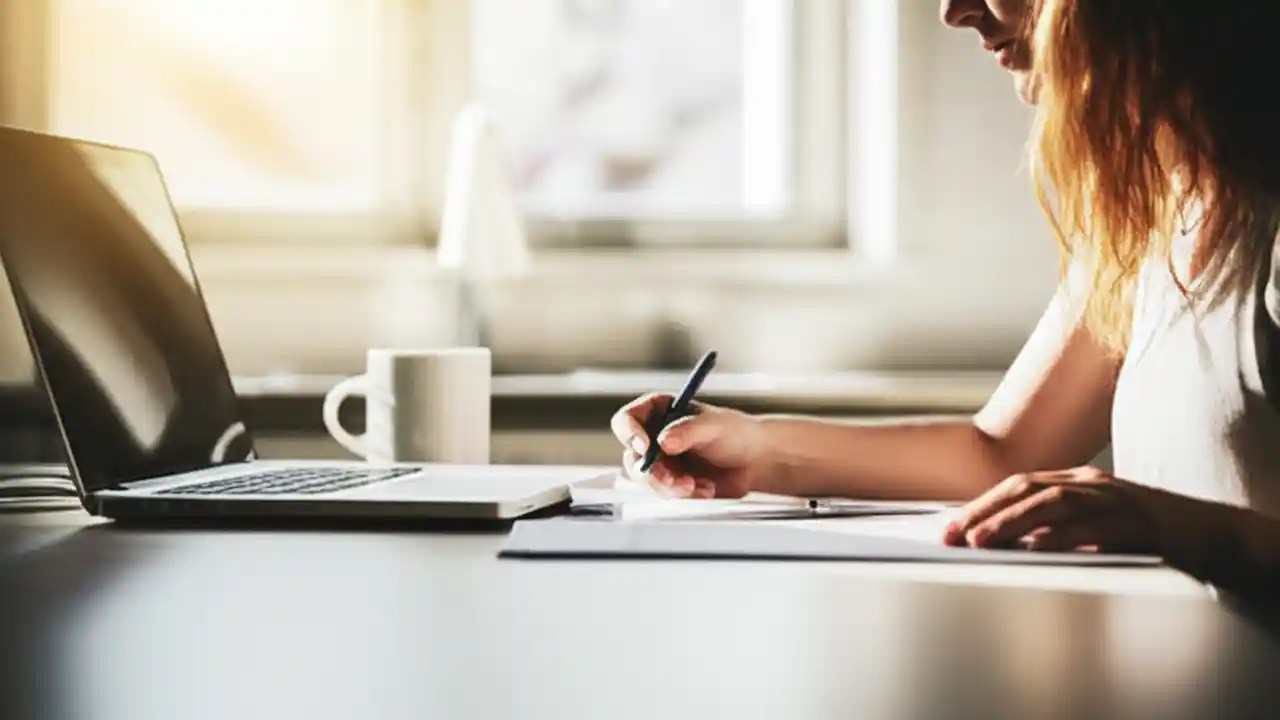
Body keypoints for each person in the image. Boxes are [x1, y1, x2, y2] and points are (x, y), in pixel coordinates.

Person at [610, 0, 1280, 593]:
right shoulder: (1144, 220)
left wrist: (1180, 525)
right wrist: (757, 449)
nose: (953, 10)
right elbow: (1001, 453)